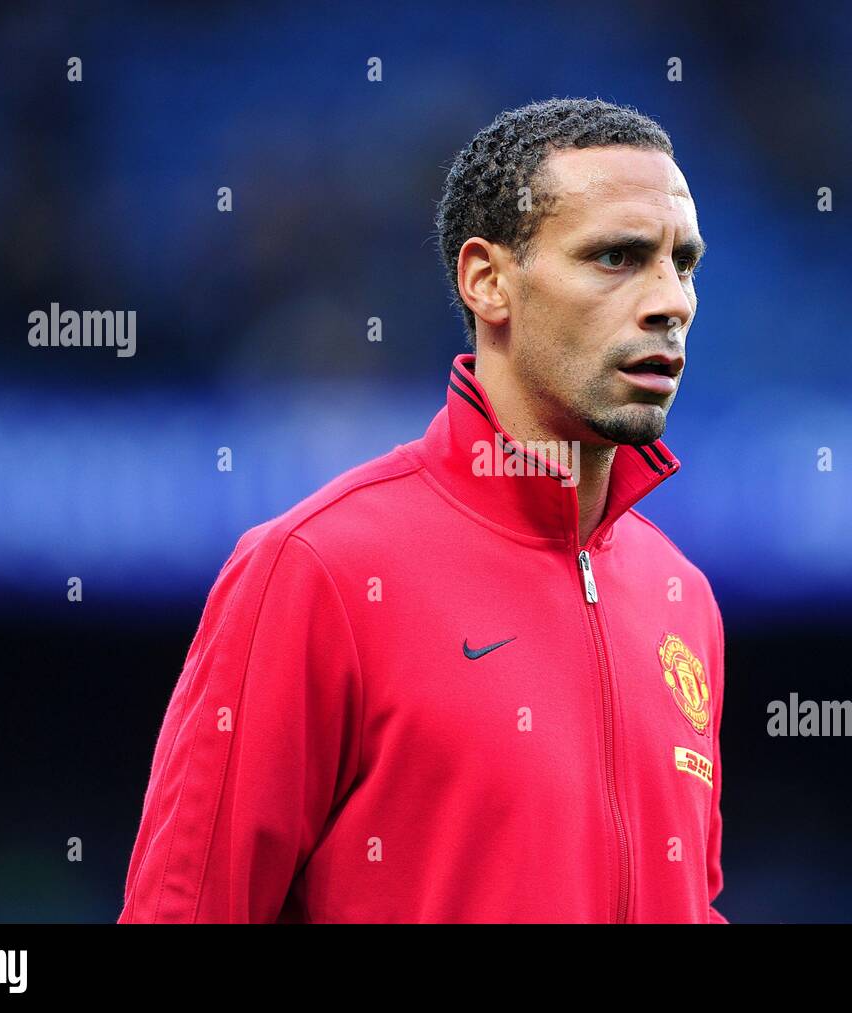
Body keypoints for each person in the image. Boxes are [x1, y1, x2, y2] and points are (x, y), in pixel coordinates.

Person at [117, 96, 727, 923]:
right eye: (618, 257)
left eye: (682, 263)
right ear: (488, 281)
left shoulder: (678, 596)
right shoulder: (315, 569)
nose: (671, 301)